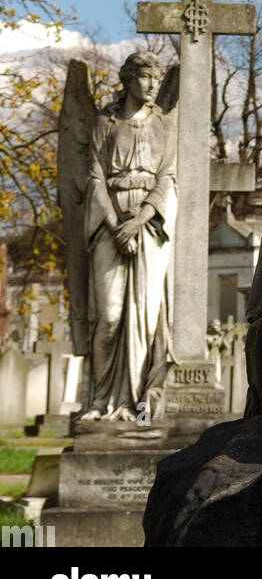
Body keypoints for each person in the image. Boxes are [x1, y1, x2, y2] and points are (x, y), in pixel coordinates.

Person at [79, 51, 176, 420]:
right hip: (109, 223)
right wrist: (114, 222)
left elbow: (168, 177)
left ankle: (137, 406)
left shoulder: (163, 124)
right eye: (145, 78)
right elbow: (93, 177)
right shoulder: (105, 121)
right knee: (111, 315)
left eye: (156, 78)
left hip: (149, 224)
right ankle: (100, 401)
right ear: (128, 79)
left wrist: (141, 219)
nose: (152, 85)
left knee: (146, 317)